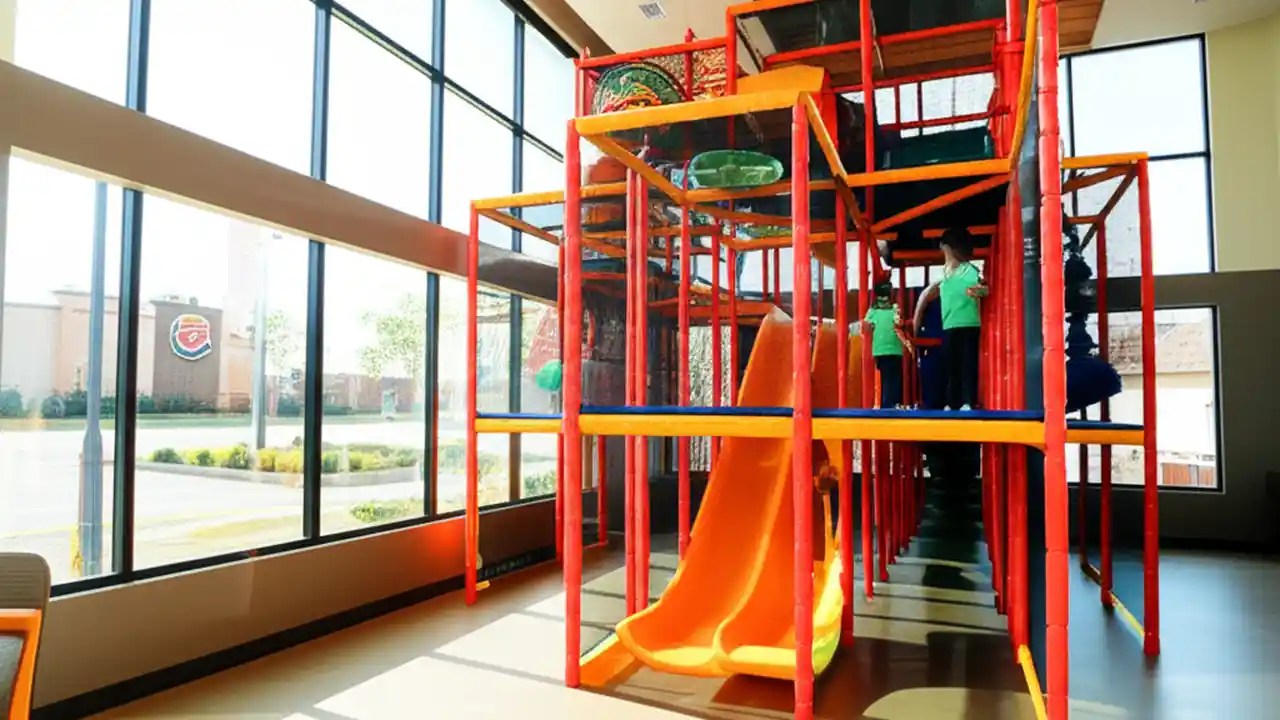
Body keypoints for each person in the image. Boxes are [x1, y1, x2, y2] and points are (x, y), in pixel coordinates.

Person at [913, 227, 987, 410]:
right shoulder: (945, 274)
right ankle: (953, 401)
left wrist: (982, 291)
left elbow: (985, 287)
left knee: (967, 363)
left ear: (948, 248)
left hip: (970, 324)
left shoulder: (971, 270)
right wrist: (916, 323)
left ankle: (968, 400)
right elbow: (926, 296)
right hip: (950, 324)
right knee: (952, 365)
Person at [863, 278, 913, 408]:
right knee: (891, 378)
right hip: (889, 349)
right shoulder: (892, 310)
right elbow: (899, 323)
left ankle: (889, 404)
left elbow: (867, 327)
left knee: (889, 378)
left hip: (884, 349)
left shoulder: (874, 312)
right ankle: (890, 403)